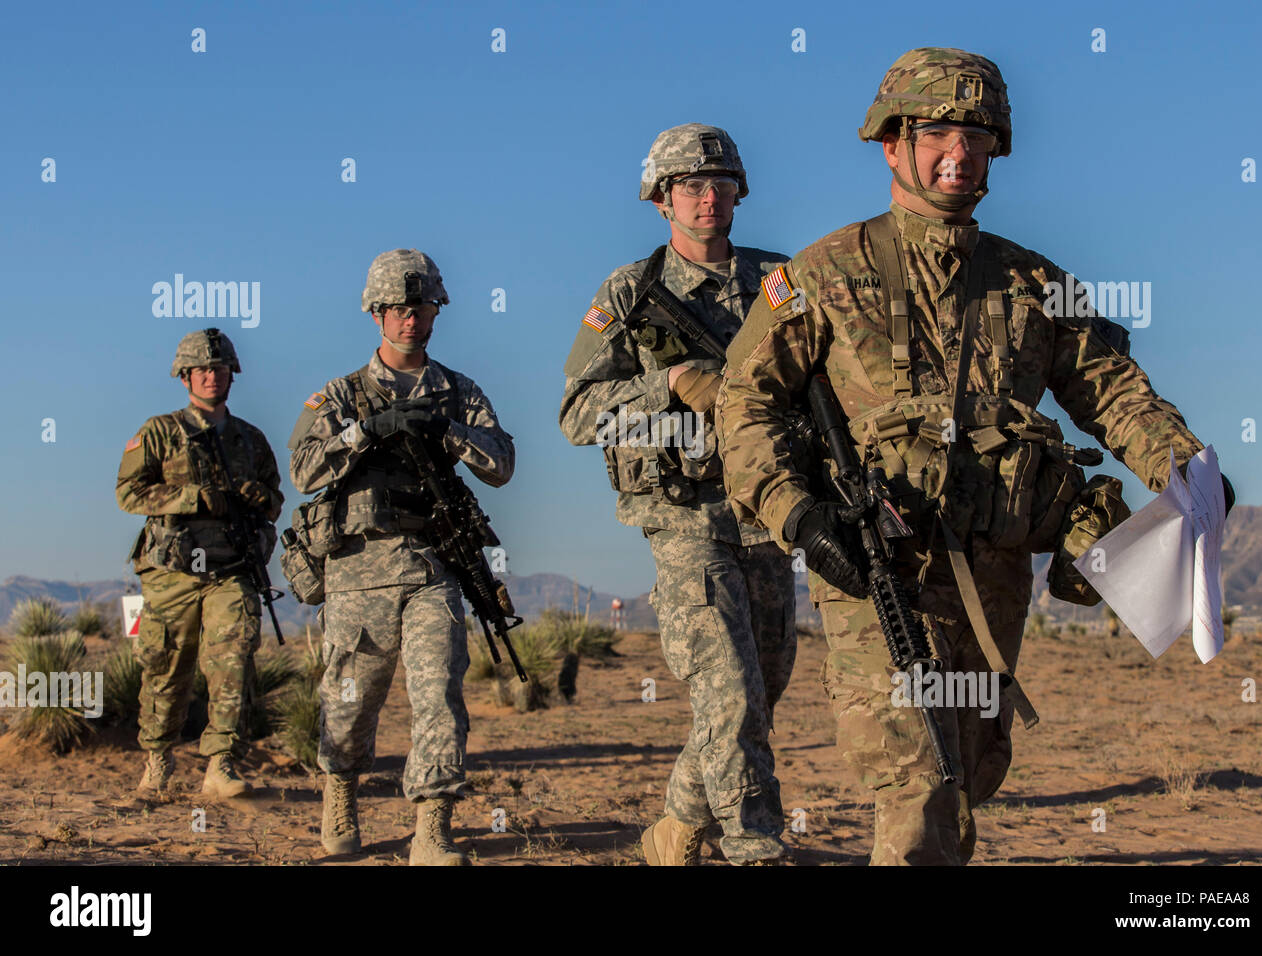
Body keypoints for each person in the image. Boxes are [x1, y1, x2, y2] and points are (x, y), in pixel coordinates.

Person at [716, 48, 1234, 865]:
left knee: (968, 770)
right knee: (915, 776)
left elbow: (1109, 386)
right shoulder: (824, 272)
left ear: (998, 150)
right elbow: (744, 402)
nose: (959, 152)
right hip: (874, 561)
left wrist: (1187, 469)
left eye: (979, 136)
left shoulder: (1032, 279)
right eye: (936, 133)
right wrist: (798, 513)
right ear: (892, 144)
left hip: (992, 572)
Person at [559, 124, 797, 865]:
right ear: (661, 200)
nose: (707, 200)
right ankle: (755, 844)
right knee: (728, 692)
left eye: (720, 186)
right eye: (690, 187)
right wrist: (665, 384)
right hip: (685, 517)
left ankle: (676, 824)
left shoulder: (780, 280)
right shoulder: (630, 294)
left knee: (761, 691)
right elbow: (576, 415)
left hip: (771, 511)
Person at [288, 249, 515, 865]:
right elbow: (305, 470)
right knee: (350, 701)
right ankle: (340, 797)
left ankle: (432, 829)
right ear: (375, 314)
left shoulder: (458, 391)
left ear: (436, 311)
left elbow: (503, 465)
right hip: (358, 574)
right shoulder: (340, 394)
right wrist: (370, 429)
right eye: (396, 309)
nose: (409, 319)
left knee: (439, 693)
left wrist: (452, 433)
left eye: (421, 307)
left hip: (433, 570)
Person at [117, 328, 283, 799]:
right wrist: (192, 497)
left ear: (233, 374)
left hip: (231, 569)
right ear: (185, 375)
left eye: (220, 368)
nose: (212, 377)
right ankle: (158, 758)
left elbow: (275, 498)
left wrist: (261, 498)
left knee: (232, 655)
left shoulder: (251, 440)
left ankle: (221, 763)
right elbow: (128, 492)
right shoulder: (159, 432)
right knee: (166, 666)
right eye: (203, 370)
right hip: (172, 573)